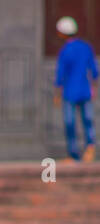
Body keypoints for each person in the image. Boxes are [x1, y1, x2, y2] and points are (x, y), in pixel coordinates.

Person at [54, 16, 98, 162]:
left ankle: (73, 154)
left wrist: (57, 93)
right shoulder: (86, 47)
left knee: (70, 123)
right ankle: (90, 147)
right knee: (88, 121)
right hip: (85, 90)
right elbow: (94, 70)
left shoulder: (65, 50)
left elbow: (60, 74)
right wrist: (93, 87)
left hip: (70, 92)